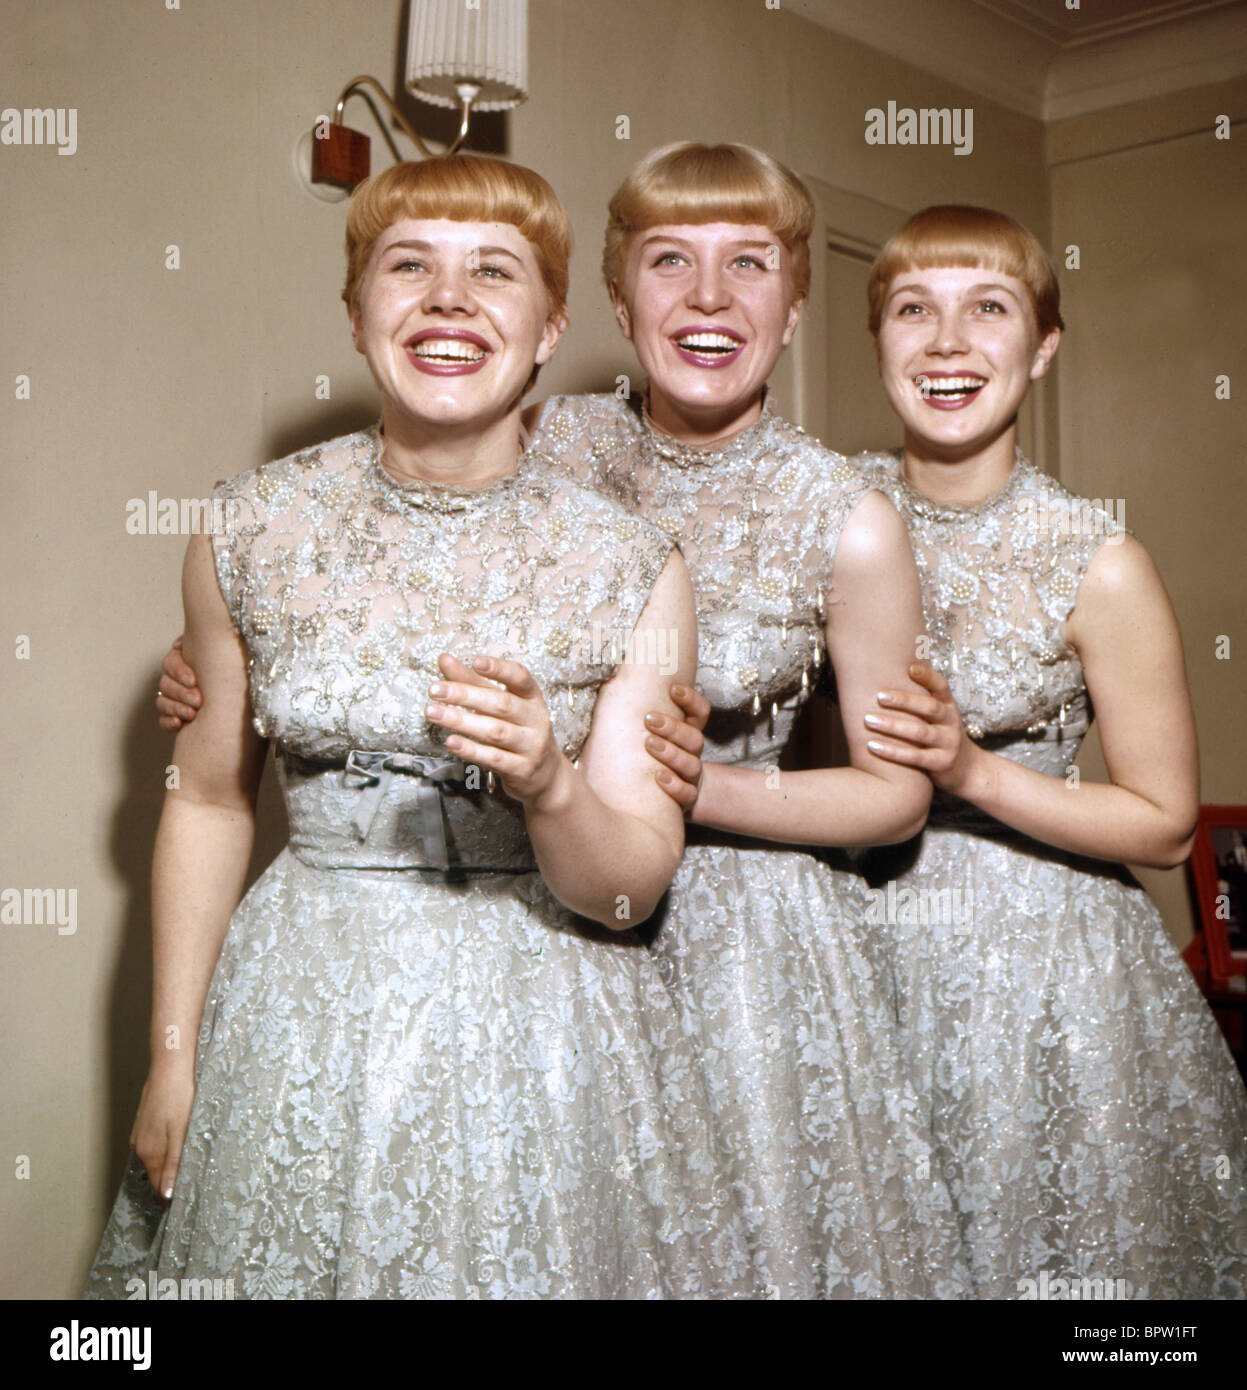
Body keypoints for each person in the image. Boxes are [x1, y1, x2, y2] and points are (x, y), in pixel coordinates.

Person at [155, 143, 972, 1299]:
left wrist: (568, 778)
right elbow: (257, 712)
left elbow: (863, 800)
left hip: (657, 936)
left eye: (746, 266)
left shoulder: (793, 524)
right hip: (317, 990)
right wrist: (218, 667)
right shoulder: (540, 437)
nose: (705, 297)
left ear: (794, 308)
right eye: (669, 262)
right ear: (610, 300)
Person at [86, 154, 752, 1300]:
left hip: (548, 1031)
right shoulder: (247, 528)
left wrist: (551, 784)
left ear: (548, 329)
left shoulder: (634, 565)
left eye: (493, 272)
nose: (448, 299)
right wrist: (173, 1060)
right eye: (409, 267)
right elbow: (204, 800)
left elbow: (630, 885)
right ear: (356, 317)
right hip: (300, 1014)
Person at [844, 205, 1247, 1297]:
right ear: (874, 336)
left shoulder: (1094, 560)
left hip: (1041, 977)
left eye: (988, 309)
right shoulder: (825, 518)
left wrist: (969, 770)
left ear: (1042, 346)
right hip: (842, 949)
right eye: (912, 310)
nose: (944, 342)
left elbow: (1163, 824)